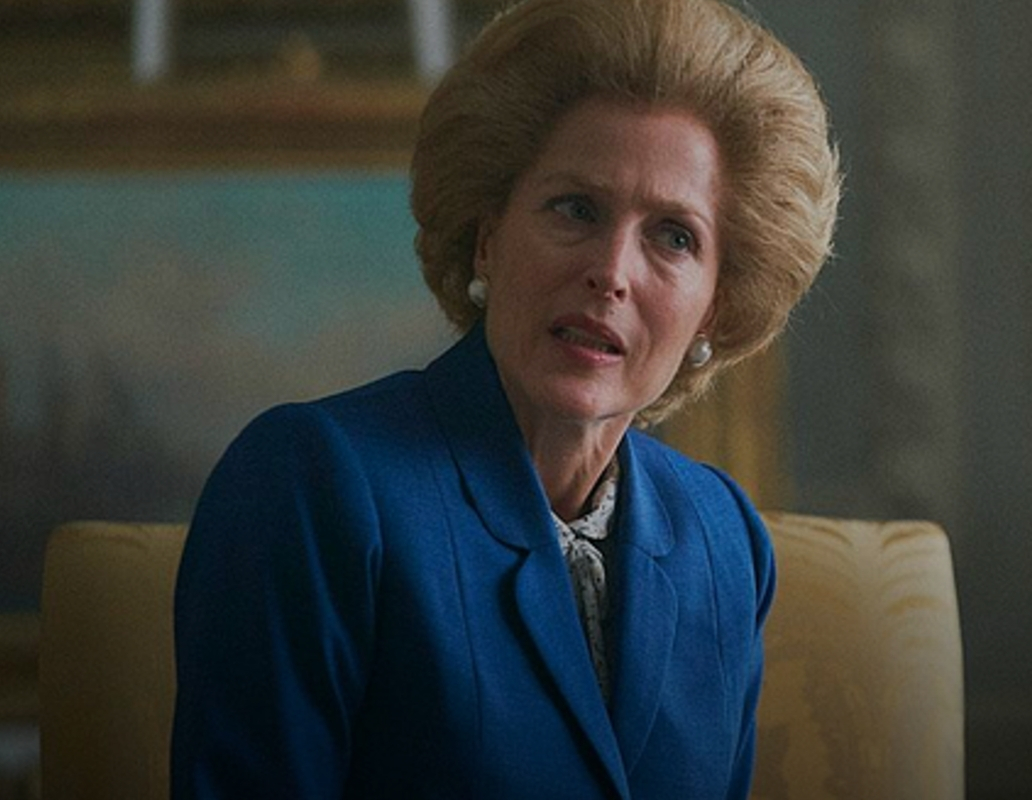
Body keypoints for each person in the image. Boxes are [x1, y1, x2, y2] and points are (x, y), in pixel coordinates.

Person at [169, 0, 840, 795]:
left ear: (716, 306)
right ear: (488, 237)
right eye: (576, 209)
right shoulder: (311, 482)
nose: (612, 272)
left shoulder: (724, 538)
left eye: (673, 236)